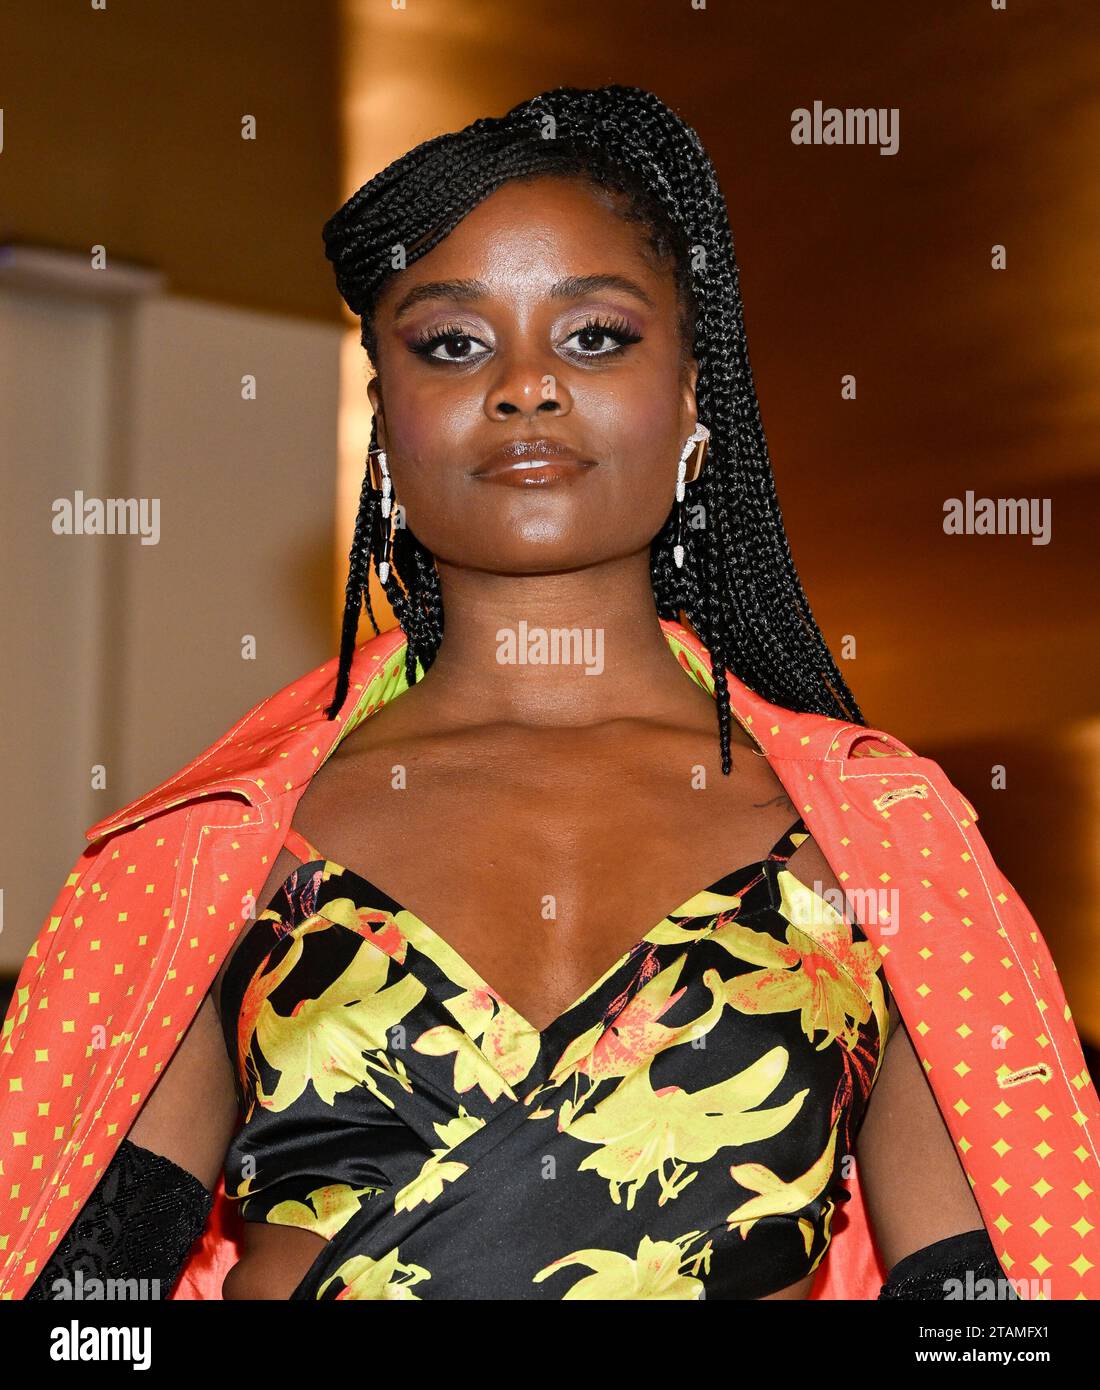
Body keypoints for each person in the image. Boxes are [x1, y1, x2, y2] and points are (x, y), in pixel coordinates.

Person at [7, 85, 1097, 1302]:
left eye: (593, 336)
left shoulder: (882, 844)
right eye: (453, 343)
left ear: (693, 401)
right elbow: (74, 1321)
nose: (525, 387)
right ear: (388, 422)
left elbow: (998, 1325)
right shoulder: (211, 851)